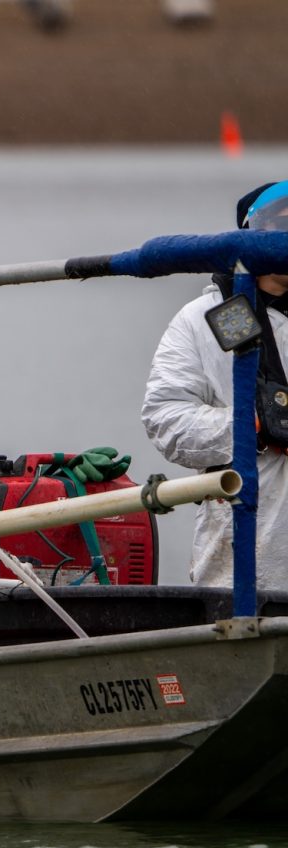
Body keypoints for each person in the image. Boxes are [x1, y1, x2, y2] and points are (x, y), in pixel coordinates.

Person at [141, 181, 288, 591]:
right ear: (253, 235)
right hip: (244, 549)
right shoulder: (201, 319)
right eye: (281, 228)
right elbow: (165, 417)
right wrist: (250, 425)